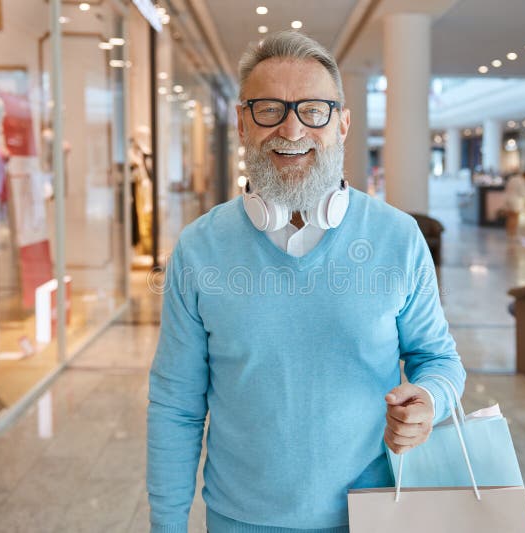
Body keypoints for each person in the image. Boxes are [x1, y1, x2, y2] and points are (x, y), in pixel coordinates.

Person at [147, 31, 466, 532]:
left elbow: (440, 360)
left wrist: (431, 399)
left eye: (313, 110)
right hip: (239, 520)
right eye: (269, 109)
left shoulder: (398, 238)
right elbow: (176, 406)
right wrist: (166, 526)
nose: (292, 130)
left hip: (373, 516)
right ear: (242, 124)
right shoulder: (198, 248)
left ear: (342, 124)